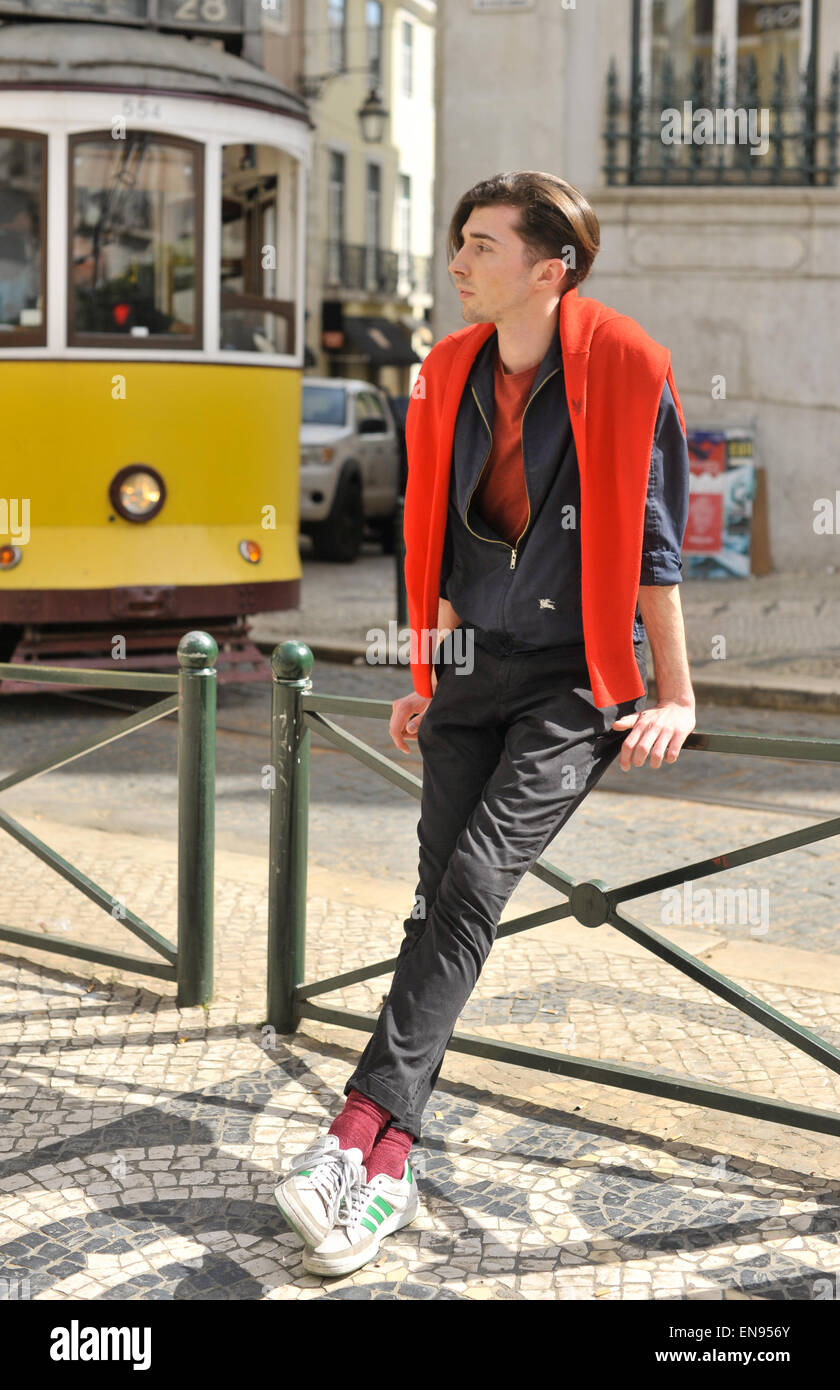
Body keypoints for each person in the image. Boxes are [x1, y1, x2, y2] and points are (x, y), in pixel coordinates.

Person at [274, 170, 696, 1278]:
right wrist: (431, 668)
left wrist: (679, 693)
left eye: (478, 244)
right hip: (474, 674)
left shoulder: (627, 371)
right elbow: (446, 540)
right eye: (458, 242)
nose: (456, 262)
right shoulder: (449, 375)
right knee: (438, 899)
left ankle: (354, 1134)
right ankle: (387, 1166)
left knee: (468, 887)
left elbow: (655, 551)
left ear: (549, 269)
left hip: (572, 680)